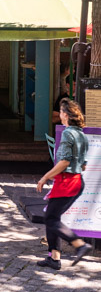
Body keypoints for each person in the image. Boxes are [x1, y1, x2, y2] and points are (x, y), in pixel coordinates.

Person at [36, 99, 92, 270]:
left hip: (67, 182)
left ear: (65, 115)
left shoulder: (68, 134)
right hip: (75, 181)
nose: (58, 115)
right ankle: (54, 258)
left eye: (60, 112)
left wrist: (45, 177)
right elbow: (83, 164)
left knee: (51, 218)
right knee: (53, 218)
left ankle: (79, 244)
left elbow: (65, 162)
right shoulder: (81, 134)